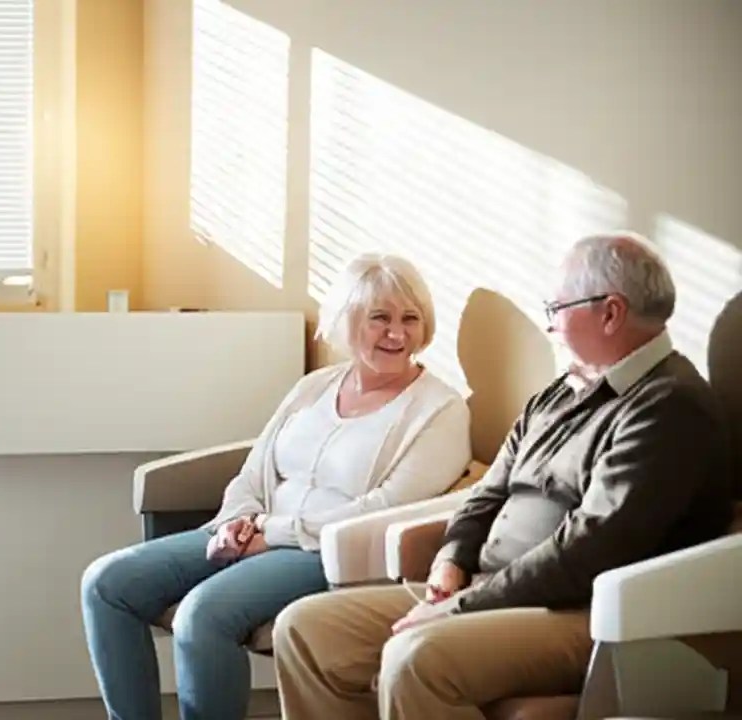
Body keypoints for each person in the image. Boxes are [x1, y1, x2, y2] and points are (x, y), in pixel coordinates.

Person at [272, 232, 733, 720]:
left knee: (415, 658)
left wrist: (463, 606)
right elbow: (487, 493)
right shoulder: (562, 392)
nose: (550, 324)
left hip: (583, 612)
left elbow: (591, 548)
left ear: (610, 313)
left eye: (557, 308)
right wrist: (452, 560)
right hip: (494, 589)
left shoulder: (668, 406)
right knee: (305, 629)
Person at [80, 253, 473, 720]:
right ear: (347, 320)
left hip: (325, 550)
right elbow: (255, 471)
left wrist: (272, 533)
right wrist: (236, 521)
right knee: (106, 583)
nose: (397, 333)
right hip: (259, 531)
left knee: (203, 616)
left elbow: (384, 508)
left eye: (410, 319)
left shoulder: (440, 410)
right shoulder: (315, 386)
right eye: (380, 318)